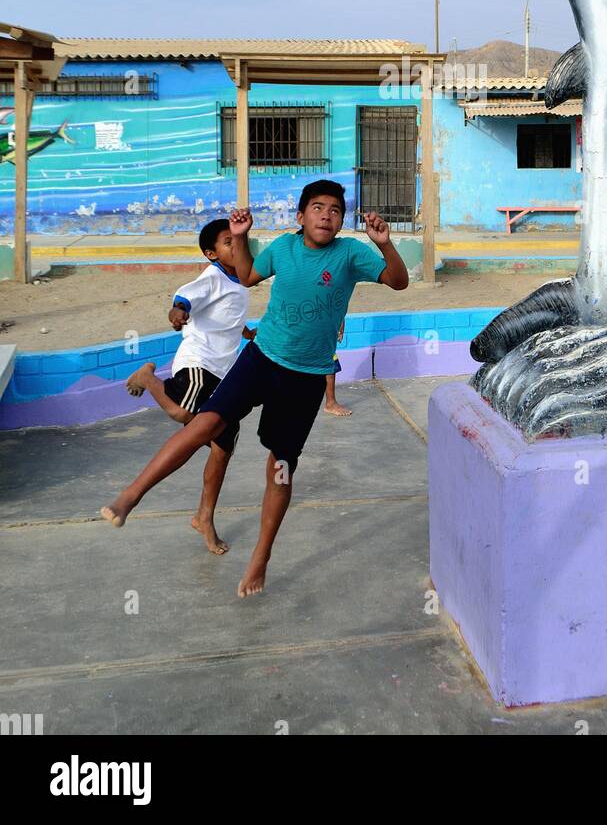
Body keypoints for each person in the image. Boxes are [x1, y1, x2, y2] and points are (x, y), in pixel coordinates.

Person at [101, 180, 408, 598]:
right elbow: (245, 275)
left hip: (304, 378)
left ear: (341, 221)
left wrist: (385, 244)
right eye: (317, 207)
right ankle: (131, 495)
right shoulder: (283, 248)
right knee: (204, 424)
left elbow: (398, 281)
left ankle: (260, 557)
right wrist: (241, 237)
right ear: (300, 216)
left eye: (335, 210)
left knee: (280, 466)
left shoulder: (351, 254)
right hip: (260, 359)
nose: (326, 215)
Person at [122, 218, 254, 554]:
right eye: (228, 242)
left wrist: (246, 332)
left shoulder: (242, 281)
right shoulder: (212, 277)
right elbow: (186, 297)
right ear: (212, 253)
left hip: (225, 374)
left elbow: (227, 317)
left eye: (239, 241)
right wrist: (178, 312)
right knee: (183, 412)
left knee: (222, 450)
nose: (236, 246)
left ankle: (204, 517)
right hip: (199, 363)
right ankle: (148, 377)